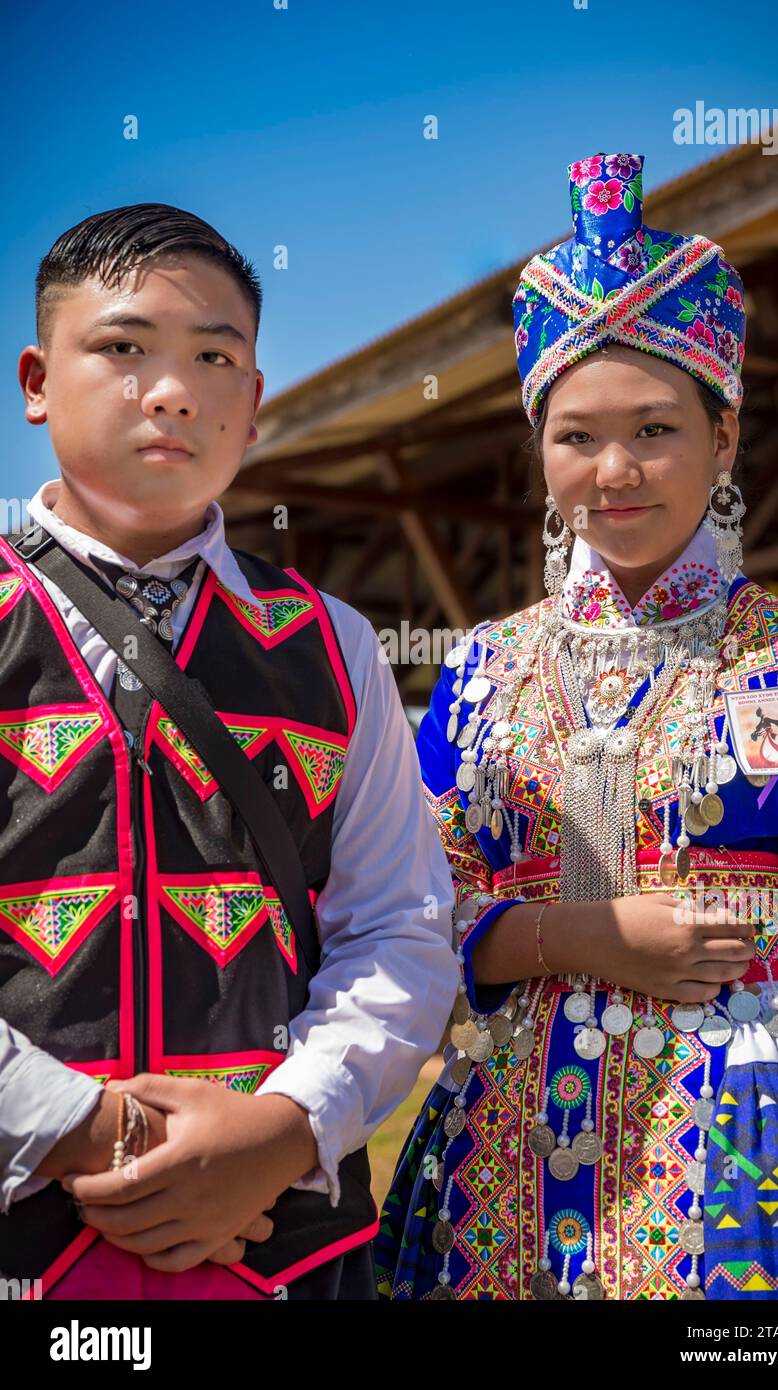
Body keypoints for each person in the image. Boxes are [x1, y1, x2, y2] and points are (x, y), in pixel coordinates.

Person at [375, 153, 778, 1301]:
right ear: (538, 448)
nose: (614, 471)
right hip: (498, 1149)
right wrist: (571, 937)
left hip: (748, 1151)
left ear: (726, 436)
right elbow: (417, 914)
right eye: (575, 436)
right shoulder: (482, 670)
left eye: (654, 428)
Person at [0, 203, 459, 1299]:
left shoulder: (333, 642)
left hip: (278, 1243)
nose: (172, 390)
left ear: (251, 405)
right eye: (121, 349)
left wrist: (285, 1125)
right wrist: (78, 1125)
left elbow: (401, 926)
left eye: (215, 356)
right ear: (35, 379)